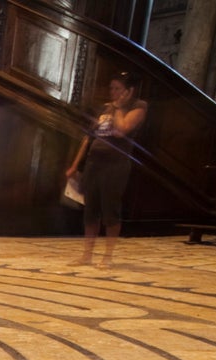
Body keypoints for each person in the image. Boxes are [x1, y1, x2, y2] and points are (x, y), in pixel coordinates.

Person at [65, 72, 147, 266]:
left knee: (110, 210)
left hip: (115, 165)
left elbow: (121, 130)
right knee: (90, 210)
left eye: (117, 88)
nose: (113, 92)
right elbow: (88, 138)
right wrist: (75, 165)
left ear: (129, 91)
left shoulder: (138, 107)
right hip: (94, 163)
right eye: (111, 88)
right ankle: (87, 255)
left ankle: (108, 256)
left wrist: (118, 109)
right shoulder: (103, 108)